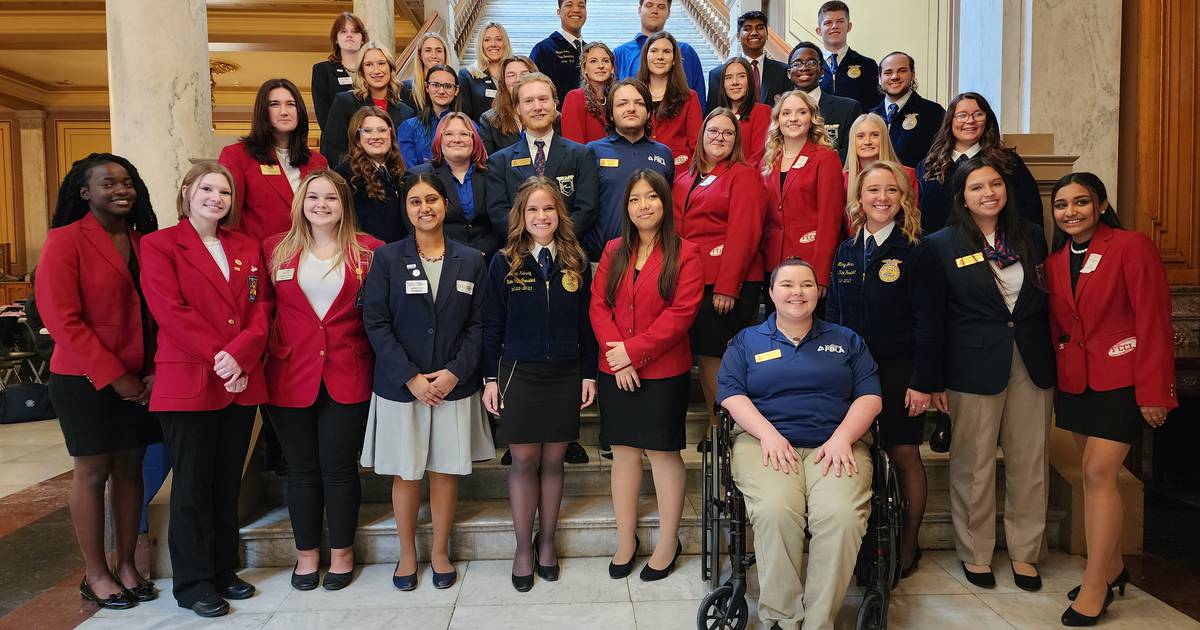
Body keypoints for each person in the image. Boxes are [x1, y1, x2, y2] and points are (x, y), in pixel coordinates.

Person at [718, 257, 883, 630]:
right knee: (776, 511)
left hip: (836, 443)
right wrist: (769, 434)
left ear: (818, 292)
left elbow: (870, 396)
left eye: (807, 284)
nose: (797, 292)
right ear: (772, 293)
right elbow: (730, 394)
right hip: (764, 442)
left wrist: (843, 437)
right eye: (787, 285)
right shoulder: (747, 341)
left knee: (841, 516)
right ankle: (782, 617)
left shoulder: (846, 340)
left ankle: (819, 622)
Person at [140, 161, 271, 618]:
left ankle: (222, 570)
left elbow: (261, 309)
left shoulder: (246, 247)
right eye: (207, 189)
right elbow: (169, 311)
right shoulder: (159, 245)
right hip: (191, 380)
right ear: (187, 193)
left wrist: (243, 355)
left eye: (225, 192)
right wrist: (224, 358)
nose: (216, 198)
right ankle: (193, 583)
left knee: (224, 483)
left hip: (240, 380)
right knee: (192, 486)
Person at [1045, 173, 1176, 626]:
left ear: (1101, 205)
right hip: (1078, 385)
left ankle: (1097, 584)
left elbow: (1154, 318)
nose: (1070, 212)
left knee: (1099, 474)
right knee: (1090, 475)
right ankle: (1114, 565)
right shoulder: (1056, 260)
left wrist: (1156, 391)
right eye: (1061, 205)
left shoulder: (1131, 246)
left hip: (1123, 379)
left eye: (1081, 202)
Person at [924, 156, 1056, 592]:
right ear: (962, 196)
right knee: (974, 465)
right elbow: (933, 318)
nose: (988, 193)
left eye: (995, 184)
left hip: (1030, 363)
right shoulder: (941, 244)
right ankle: (976, 552)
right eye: (977, 187)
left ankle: (1025, 552)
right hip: (971, 365)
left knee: (1029, 463)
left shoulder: (1032, 236)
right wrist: (934, 378)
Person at [37, 153, 161, 611]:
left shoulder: (145, 242)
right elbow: (62, 321)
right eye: (108, 184)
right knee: (92, 473)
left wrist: (152, 370)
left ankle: (127, 564)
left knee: (131, 471)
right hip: (85, 379)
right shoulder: (65, 241)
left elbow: (156, 313)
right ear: (85, 192)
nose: (121, 190)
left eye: (126, 182)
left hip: (142, 378)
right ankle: (96, 573)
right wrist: (117, 378)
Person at [360, 172, 494, 592]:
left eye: (432, 199)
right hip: (403, 388)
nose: (425, 208)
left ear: (445, 203)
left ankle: (438, 551)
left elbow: (480, 325)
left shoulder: (471, 258)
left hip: (453, 385)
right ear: (406, 208)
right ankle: (406, 554)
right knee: (407, 472)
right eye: (416, 201)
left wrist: (455, 372)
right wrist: (412, 378)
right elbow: (376, 322)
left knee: (444, 471)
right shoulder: (386, 258)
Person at [263, 170, 383, 592]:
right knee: (301, 470)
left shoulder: (369, 252)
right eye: (313, 196)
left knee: (338, 468)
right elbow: (263, 313)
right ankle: (307, 554)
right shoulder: (275, 250)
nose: (321, 204)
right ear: (301, 203)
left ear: (344, 204)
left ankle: (342, 554)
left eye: (331, 197)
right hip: (288, 374)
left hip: (347, 371)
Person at [825, 160, 943, 578]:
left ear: (902, 198)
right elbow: (833, 312)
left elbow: (930, 320)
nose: (882, 198)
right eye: (873, 190)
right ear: (859, 198)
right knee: (861, 455)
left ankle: (908, 544)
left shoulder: (916, 250)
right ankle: (868, 539)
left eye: (891, 191)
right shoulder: (845, 250)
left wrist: (923, 381)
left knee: (904, 452)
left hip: (900, 370)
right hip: (851, 372)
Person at [482, 177, 597, 591]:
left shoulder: (576, 261)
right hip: (519, 372)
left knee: (553, 461)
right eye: (533, 209)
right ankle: (523, 549)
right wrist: (490, 377)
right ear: (521, 216)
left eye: (548, 208)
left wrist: (588, 372)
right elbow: (491, 324)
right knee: (525, 461)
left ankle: (546, 542)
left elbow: (588, 323)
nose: (541, 216)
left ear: (559, 214)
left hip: (566, 371)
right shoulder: (504, 261)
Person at [590, 169, 704, 581]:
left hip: (662, 371)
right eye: (635, 199)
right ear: (627, 207)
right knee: (622, 452)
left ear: (664, 203)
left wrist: (633, 354)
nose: (643, 206)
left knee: (661, 453)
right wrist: (618, 357)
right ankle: (626, 540)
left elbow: (682, 314)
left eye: (651, 198)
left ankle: (668, 541)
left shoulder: (685, 253)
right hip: (614, 368)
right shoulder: (613, 250)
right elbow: (599, 307)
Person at [673, 108, 765, 445]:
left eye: (728, 133)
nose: (719, 138)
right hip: (694, 278)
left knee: (715, 354)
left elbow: (746, 232)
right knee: (704, 353)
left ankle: (721, 426)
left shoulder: (743, 174)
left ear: (736, 140)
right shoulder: (685, 176)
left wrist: (728, 286)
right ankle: (722, 422)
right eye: (713, 131)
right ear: (701, 135)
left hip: (727, 281)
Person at [486, 73, 599, 245]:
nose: (537, 107)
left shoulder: (581, 155)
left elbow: (586, 209)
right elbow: (499, 213)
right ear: (517, 108)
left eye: (543, 99)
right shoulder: (499, 162)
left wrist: (555, 242)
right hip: (519, 254)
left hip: (568, 253)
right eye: (529, 101)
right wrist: (532, 243)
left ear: (555, 104)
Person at [760, 90, 846, 302]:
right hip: (773, 265)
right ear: (778, 120)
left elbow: (830, 219)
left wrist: (821, 274)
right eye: (786, 113)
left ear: (812, 118)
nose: (793, 119)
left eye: (801, 112)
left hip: (809, 267)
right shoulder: (767, 162)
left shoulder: (826, 158)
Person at [220, 79, 329, 242]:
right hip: (259, 259)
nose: (284, 111)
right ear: (262, 111)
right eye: (274, 104)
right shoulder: (236, 156)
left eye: (291, 104)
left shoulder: (318, 161)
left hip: (309, 256)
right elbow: (228, 218)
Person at [918, 91, 1043, 233]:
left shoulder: (1007, 161)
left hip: (995, 250)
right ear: (949, 120)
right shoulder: (928, 166)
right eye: (962, 115)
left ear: (987, 119)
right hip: (937, 249)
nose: (970, 121)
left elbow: (1030, 211)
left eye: (978, 114)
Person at [584, 79, 675, 263]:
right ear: (610, 114)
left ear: (649, 111)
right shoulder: (591, 152)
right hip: (602, 259)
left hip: (653, 260)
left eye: (639, 103)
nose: (631, 108)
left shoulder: (664, 154)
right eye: (622, 104)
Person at [410, 112, 499, 257]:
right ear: (439, 139)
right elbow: (415, 225)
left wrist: (483, 250)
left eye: (464, 134)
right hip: (440, 257)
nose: (457, 140)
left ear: (474, 139)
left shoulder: (492, 173)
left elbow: (499, 218)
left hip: (487, 258)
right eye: (449, 134)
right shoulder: (421, 176)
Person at [320, 42, 416, 168]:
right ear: (361, 70)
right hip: (354, 179)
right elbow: (333, 150)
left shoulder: (406, 112)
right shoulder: (344, 102)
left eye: (381, 63)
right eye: (369, 65)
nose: (376, 70)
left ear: (390, 67)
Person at [333, 105, 408, 243]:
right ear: (357, 137)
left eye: (382, 130)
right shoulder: (344, 175)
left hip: (399, 252)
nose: (376, 136)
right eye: (367, 131)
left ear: (390, 134)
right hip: (367, 254)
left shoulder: (399, 170)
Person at [637, 31, 704, 169]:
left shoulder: (689, 98)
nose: (660, 57)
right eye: (654, 51)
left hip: (678, 173)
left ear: (674, 59)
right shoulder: (633, 95)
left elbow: (696, 145)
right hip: (639, 170)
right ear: (646, 57)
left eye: (666, 51)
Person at [786, 41, 861, 163]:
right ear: (789, 73)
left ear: (821, 71)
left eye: (811, 62)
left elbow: (848, 155)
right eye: (797, 63)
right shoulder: (779, 111)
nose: (804, 68)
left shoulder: (848, 109)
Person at [870, 51, 944, 169]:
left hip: (916, 185)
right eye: (888, 72)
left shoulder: (932, 112)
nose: (895, 77)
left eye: (902, 71)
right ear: (879, 78)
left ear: (913, 75)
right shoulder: (870, 116)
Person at [705, 10, 790, 112]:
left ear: (767, 34)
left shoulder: (783, 71)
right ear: (738, 36)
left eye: (760, 28)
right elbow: (712, 115)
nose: (754, 33)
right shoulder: (718, 74)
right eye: (747, 29)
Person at [815, 1, 880, 111]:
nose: (834, 26)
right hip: (819, 127)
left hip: (856, 127)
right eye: (828, 23)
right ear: (819, 30)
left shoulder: (868, 65)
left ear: (849, 26)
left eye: (840, 21)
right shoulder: (810, 67)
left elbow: (875, 106)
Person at [397, 64, 465, 168]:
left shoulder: (469, 127)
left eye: (448, 86)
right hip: (422, 183)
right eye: (435, 85)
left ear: (456, 90)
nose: (441, 91)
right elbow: (410, 170)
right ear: (427, 87)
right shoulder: (409, 127)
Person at [311, 12, 367, 130]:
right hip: (337, 142)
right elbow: (324, 116)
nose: (349, 35)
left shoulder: (371, 70)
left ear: (362, 39)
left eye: (355, 31)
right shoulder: (322, 71)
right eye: (343, 31)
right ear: (336, 39)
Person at [530, 0, 588, 110]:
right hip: (557, 122)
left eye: (581, 5)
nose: (576, 10)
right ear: (558, 12)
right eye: (569, 5)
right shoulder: (544, 49)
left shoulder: (590, 51)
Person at [711, 58, 772, 165]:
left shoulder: (762, 112)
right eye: (728, 78)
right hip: (718, 176)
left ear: (750, 81)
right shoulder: (717, 116)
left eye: (741, 76)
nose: (735, 82)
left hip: (746, 176)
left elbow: (758, 157)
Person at [843, 113, 918, 197]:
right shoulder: (842, 179)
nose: (867, 142)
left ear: (884, 139)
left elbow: (911, 209)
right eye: (860, 136)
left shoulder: (907, 175)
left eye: (875, 135)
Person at [479, 55, 539, 154]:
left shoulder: (552, 117)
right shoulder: (489, 120)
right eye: (511, 75)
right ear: (503, 82)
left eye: (524, 74)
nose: (518, 79)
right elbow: (487, 164)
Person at [561, 42, 615, 144]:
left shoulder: (616, 99)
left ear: (612, 68)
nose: (600, 66)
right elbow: (573, 145)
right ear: (584, 69)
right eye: (593, 61)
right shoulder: (575, 97)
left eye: (606, 61)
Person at [459, 22, 513, 121]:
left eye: (499, 39)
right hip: (481, 135)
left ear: (505, 42)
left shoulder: (516, 72)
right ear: (481, 44)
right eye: (487, 40)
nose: (493, 44)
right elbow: (464, 117)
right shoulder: (466, 76)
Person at [402, 32, 451, 112]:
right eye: (428, 50)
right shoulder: (406, 89)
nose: (434, 55)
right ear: (420, 55)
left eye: (439, 51)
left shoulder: (455, 87)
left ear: (445, 54)